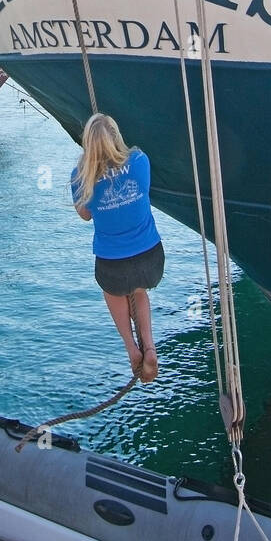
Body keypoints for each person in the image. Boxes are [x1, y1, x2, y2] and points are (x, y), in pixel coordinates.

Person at [71, 113, 164, 382]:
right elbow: (144, 191)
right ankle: (150, 346)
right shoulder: (139, 160)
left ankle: (131, 347)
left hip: (112, 266)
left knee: (115, 292)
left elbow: (85, 215)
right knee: (139, 290)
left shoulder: (80, 175)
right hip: (151, 260)